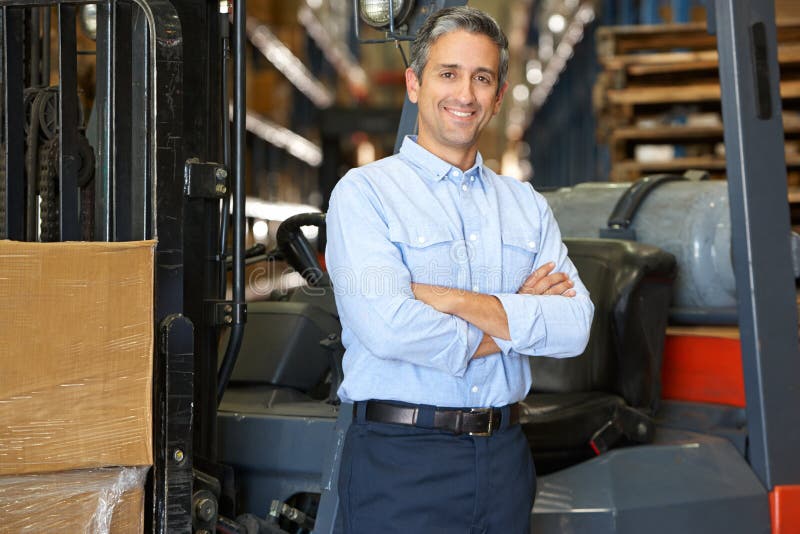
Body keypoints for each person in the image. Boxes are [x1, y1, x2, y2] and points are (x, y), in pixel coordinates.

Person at [325, 6, 594, 533]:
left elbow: (575, 325)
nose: (464, 95)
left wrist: (445, 299)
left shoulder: (526, 206)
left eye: (482, 78)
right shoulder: (365, 195)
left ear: (498, 95)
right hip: (401, 462)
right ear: (414, 83)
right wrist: (519, 317)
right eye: (448, 74)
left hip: (505, 461)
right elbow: (388, 328)